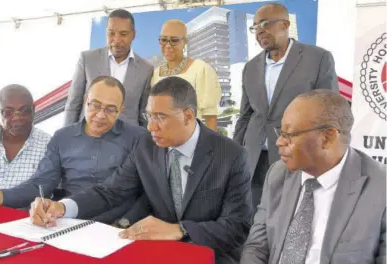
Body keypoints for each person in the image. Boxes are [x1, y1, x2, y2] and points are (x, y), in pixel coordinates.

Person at [28, 77, 252, 264]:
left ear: (188, 116)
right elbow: (111, 191)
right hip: (155, 252)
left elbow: (237, 227)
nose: (151, 127)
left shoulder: (231, 155)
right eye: (149, 116)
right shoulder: (146, 145)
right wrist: (61, 207)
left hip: (209, 254)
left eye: (160, 117)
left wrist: (180, 230)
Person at [0, 76, 148, 224]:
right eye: (95, 105)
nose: (100, 115)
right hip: (67, 220)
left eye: (110, 109)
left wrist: (127, 221)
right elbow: (41, 184)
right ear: (85, 100)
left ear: (121, 110)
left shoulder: (138, 138)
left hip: (119, 225)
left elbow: (146, 190)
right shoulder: (62, 137)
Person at [240, 90, 386, 264]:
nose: (279, 142)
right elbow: (257, 247)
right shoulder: (278, 174)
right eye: (280, 132)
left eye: (289, 135)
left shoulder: (380, 186)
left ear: (327, 138)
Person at [233, 3, 339, 208]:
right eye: (255, 27)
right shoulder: (250, 67)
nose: (259, 31)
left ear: (285, 24)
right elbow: (245, 116)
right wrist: (235, 154)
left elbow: (330, 109)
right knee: (256, 217)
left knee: (292, 214)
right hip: (255, 159)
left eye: (265, 23)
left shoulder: (317, 58)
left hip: (298, 155)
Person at [64, 9, 153, 127]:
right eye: (111, 33)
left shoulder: (145, 69)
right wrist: (67, 138)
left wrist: (143, 142)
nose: (116, 40)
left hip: (126, 141)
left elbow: (143, 114)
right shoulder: (87, 59)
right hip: (88, 137)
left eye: (123, 34)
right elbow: (73, 104)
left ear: (133, 35)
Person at [151, 19, 222, 131]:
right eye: (163, 40)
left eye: (174, 40)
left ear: (185, 42)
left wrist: (210, 146)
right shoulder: (155, 73)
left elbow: (210, 117)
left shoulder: (200, 69)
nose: (168, 45)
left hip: (191, 139)